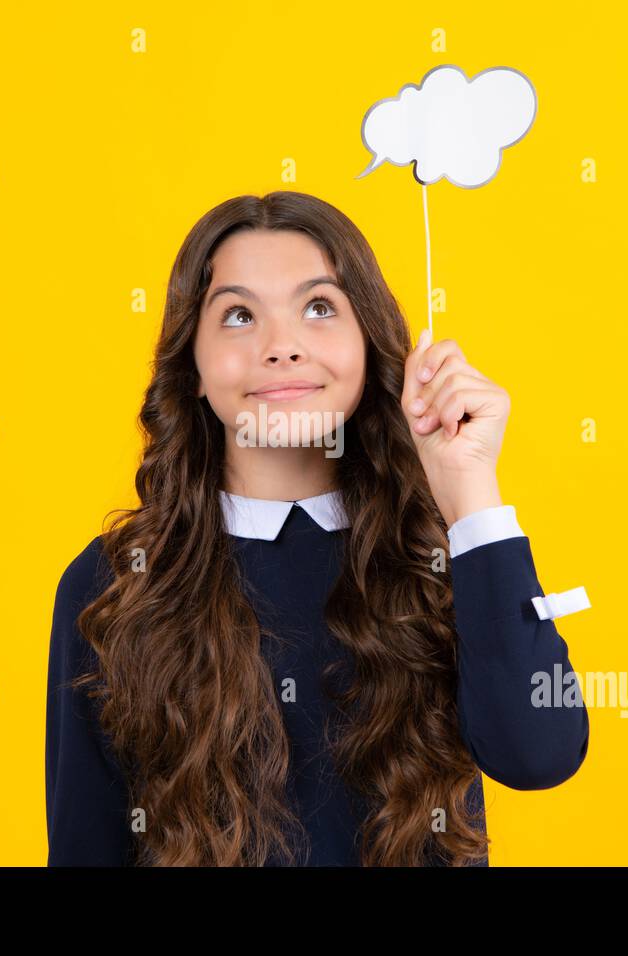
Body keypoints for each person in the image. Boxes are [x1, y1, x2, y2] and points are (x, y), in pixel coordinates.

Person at [46, 190, 589, 866]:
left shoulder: (448, 556)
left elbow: (540, 754)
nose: (283, 348)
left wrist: (472, 494)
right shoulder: (110, 585)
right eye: (240, 315)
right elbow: (85, 848)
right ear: (190, 366)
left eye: (320, 308)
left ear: (370, 344)